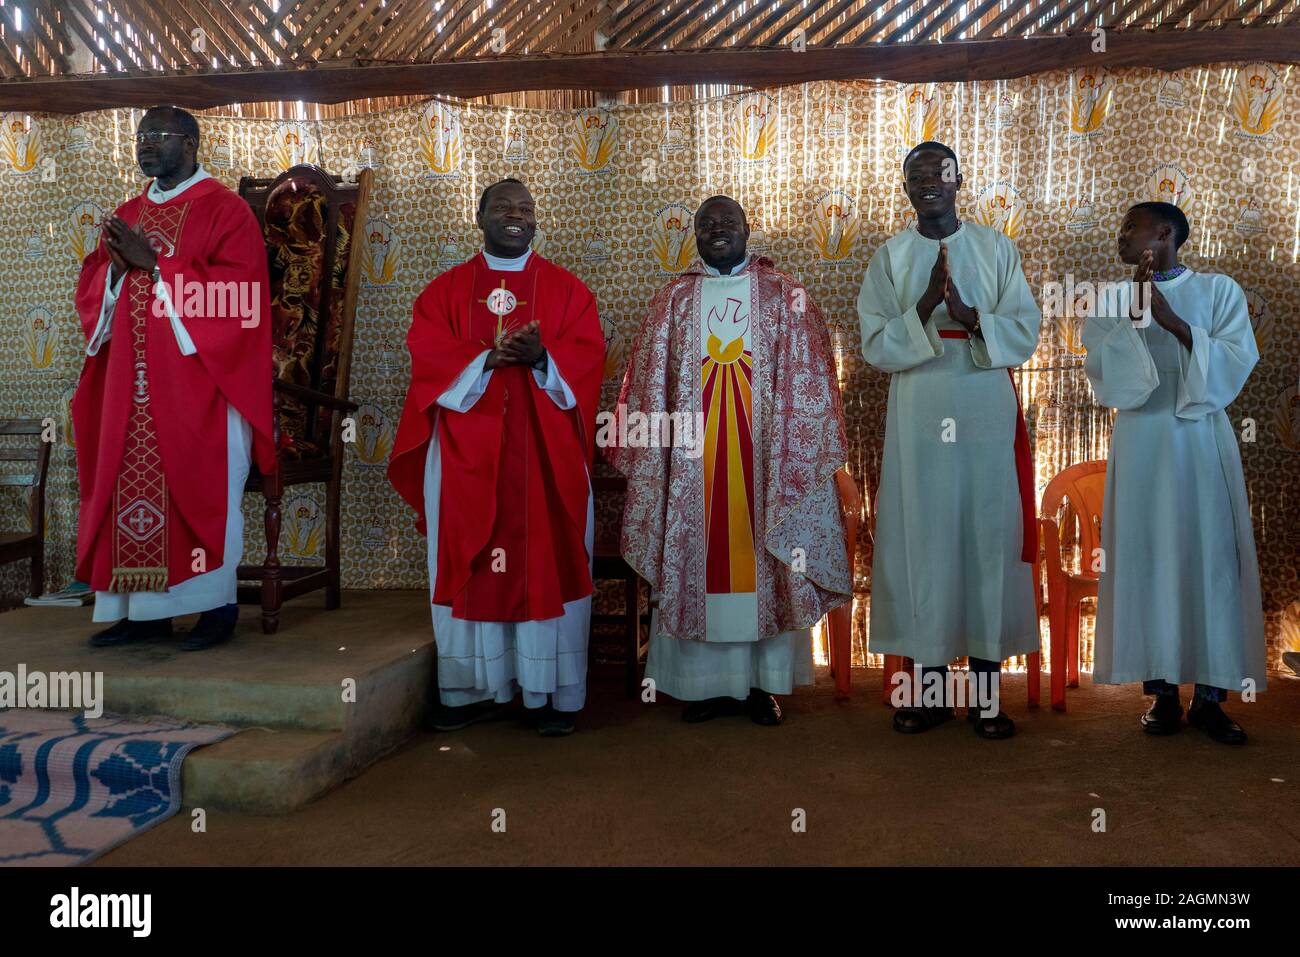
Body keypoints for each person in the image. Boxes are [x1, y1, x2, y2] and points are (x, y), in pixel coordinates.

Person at [611, 195, 851, 726]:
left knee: (761, 561)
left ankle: (760, 688)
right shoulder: (673, 300)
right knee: (700, 558)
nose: (717, 230)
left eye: (728, 221)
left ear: (748, 230)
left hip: (765, 459)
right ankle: (704, 687)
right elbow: (652, 387)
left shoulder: (784, 295)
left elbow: (810, 380)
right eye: (706, 224)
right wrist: (658, 453)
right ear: (694, 236)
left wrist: (791, 441)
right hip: (693, 459)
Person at [388, 179, 604, 737]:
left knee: (549, 558)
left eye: (526, 209)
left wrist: (541, 360)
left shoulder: (566, 290)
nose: (517, 216)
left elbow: (586, 360)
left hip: (544, 455)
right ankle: (466, 690)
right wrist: (486, 358)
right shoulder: (445, 291)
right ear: (479, 216)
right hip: (467, 454)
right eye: (504, 207)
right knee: (469, 557)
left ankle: (556, 693)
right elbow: (427, 352)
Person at [856, 141, 1041, 738]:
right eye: (917, 177)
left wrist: (970, 316)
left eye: (940, 174)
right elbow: (876, 342)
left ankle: (988, 696)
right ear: (905, 188)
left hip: (984, 394)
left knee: (988, 533)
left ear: (960, 180)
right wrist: (928, 305)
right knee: (926, 536)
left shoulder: (995, 247)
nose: (928, 183)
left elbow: (1026, 327)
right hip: (920, 396)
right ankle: (930, 693)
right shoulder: (891, 255)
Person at [73, 106, 274, 652]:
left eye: (157, 136)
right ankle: (141, 614)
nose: (144, 145)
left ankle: (215, 609)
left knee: (203, 490)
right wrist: (115, 270)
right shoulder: (128, 211)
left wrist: (156, 264)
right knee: (124, 482)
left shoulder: (226, 211)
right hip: (130, 386)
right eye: (140, 137)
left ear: (190, 143)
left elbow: (243, 301)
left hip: (202, 387)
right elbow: (93, 292)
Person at [1083, 201, 1264, 744]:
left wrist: (1172, 321)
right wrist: (1137, 318)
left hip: (1198, 439)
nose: (1119, 237)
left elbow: (1235, 361)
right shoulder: (1112, 298)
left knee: (1207, 558)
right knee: (1148, 557)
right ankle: (1162, 694)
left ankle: (1210, 699)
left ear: (1164, 233)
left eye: (1128, 228)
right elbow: (1103, 370)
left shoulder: (1219, 291)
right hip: (1142, 439)